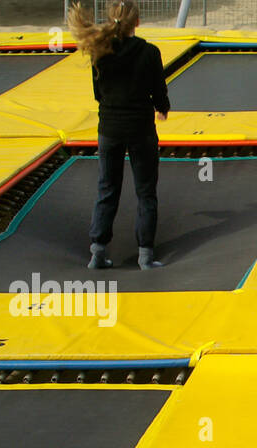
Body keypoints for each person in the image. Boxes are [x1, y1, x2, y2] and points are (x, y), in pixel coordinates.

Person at [66, 1, 170, 269]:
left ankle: (97, 252)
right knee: (145, 191)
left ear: (111, 19)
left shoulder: (100, 51)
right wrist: (162, 108)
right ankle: (146, 255)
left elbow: (98, 93)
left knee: (107, 187)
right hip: (140, 129)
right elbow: (158, 88)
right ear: (137, 23)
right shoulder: (149, 52)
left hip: (109, 128)